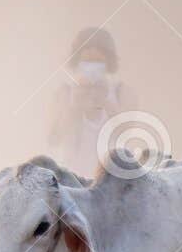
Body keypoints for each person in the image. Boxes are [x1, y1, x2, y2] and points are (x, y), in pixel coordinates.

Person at [49, 26, 129, 177]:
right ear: (77, 60)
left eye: (98, 61)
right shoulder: (64, 92)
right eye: (87, 60)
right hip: (71, 180)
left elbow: (130, 135)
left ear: (109, 61)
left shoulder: (121, 92)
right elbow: (53, 138)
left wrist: (106, 101)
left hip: (111, 179)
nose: (92, 67)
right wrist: (75, 106)